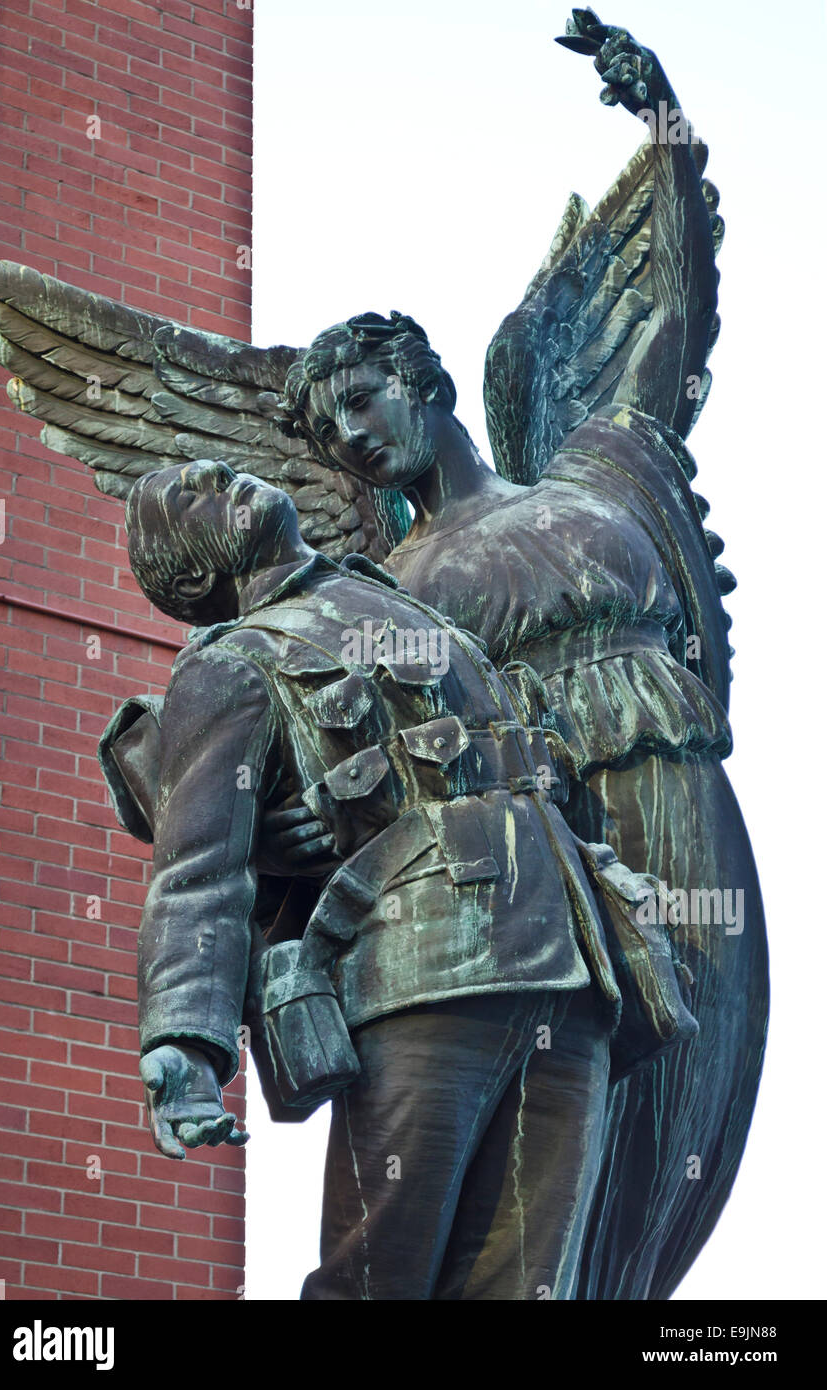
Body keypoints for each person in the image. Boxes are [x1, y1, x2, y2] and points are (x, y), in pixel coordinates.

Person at [274, 17, 769, 1301]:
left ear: (422, 377)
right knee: (562, 1187)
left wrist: (662, 123)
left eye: (361, 398)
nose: (348, 432)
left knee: (676, 1148)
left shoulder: (589, 457)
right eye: (329, 426)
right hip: (540, 854)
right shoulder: (383, 585)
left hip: (685, 809)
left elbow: (667, 319)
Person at [111, 456, 661, 1300]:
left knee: (528, 1284)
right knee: (380, 1273)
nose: (224, 474)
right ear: (191, 566)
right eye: (193, 491)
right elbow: (198, 869)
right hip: (422, 967)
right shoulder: (230, 664)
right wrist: (185, 1040)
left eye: (219, 469)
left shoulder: (403, 604)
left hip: (569, 958)